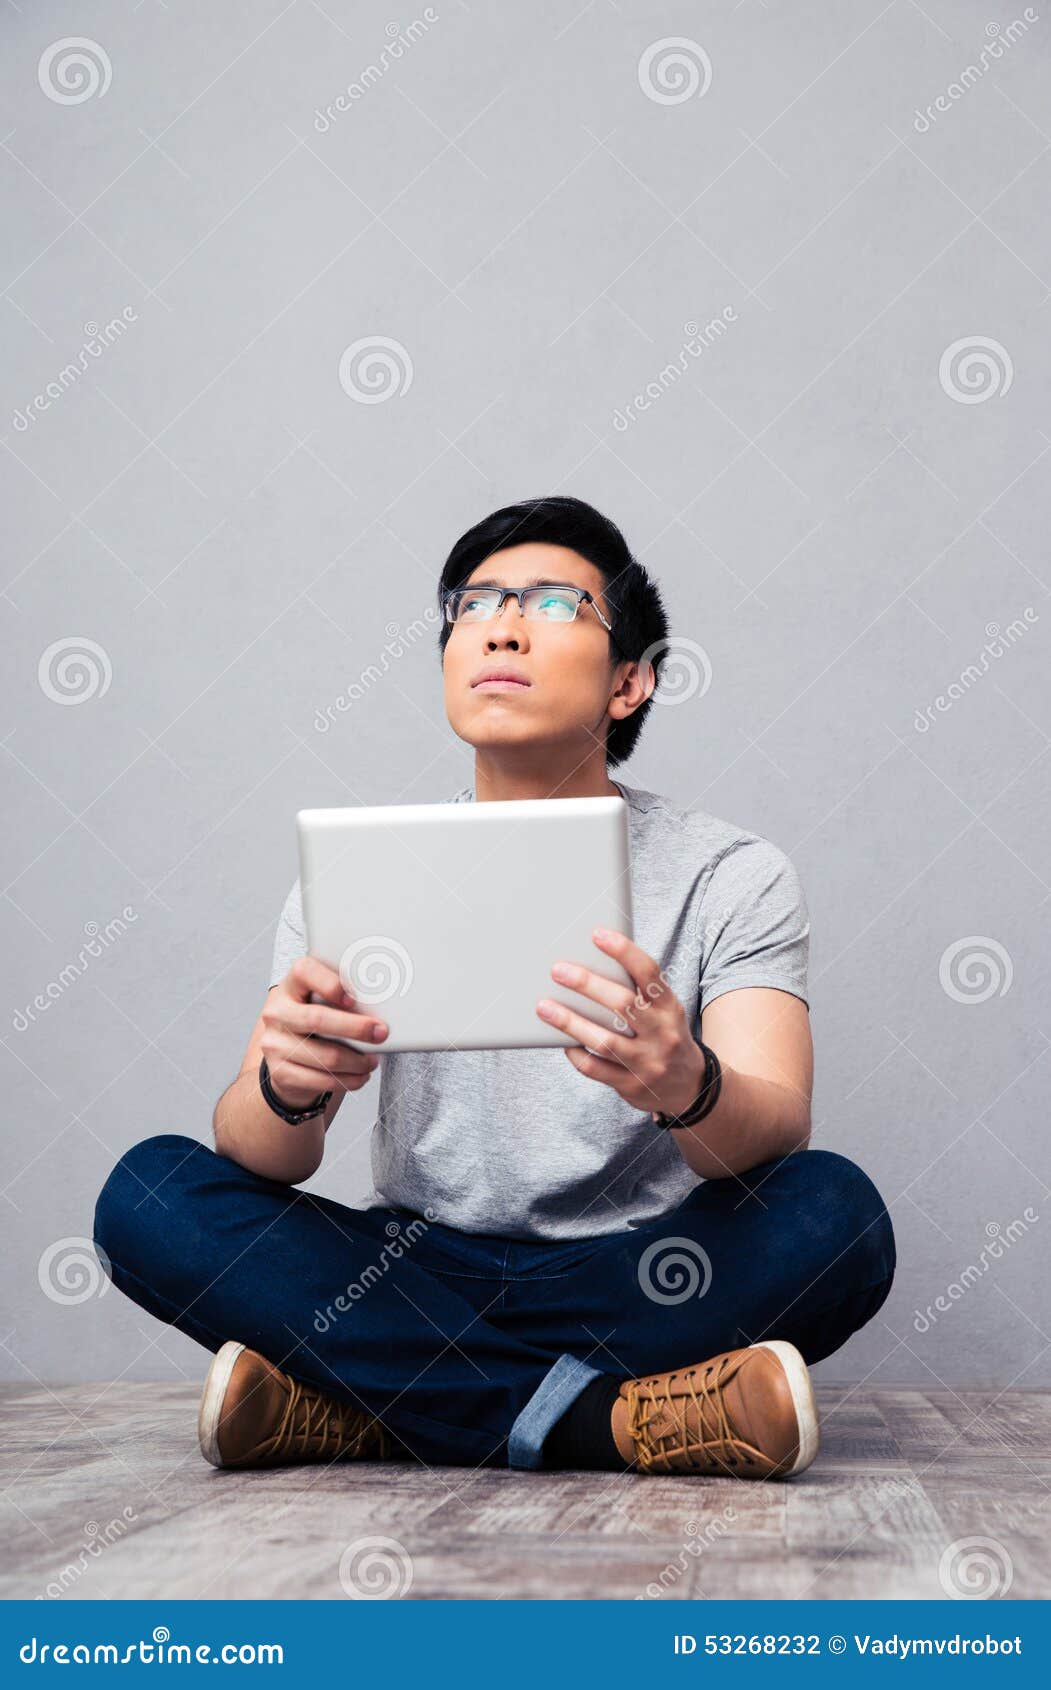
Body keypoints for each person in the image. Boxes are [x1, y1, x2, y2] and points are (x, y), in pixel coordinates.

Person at [93, 495, 895, 1480]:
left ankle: (372, 1409)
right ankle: (602, 1422)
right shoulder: (359, 872)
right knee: (150, 1194)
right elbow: (263, 1156)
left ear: (630, 682)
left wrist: (685, 1082)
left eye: (555, 605)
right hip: (407, 1271)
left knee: (834, 1216)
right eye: (472, 605)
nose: (501, 625)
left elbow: (774, 1133)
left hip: (637, 1270)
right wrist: (285, 1087)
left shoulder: (730, 871)